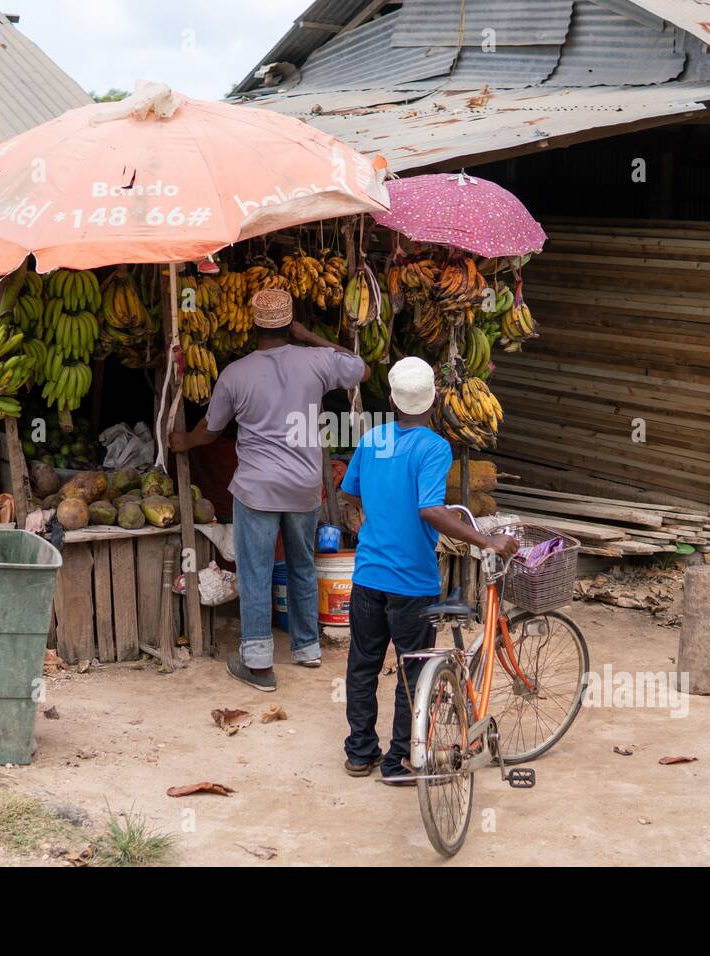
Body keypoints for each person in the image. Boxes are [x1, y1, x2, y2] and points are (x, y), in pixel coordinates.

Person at [170, 287, 368, 692]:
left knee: (256, 570)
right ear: (289, 324)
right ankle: (307, 647)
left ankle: (259, 665)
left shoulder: (235, 373)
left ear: (253, 325)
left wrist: (183, 443)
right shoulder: (315, 362)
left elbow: (210, 429)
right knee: (301, 564)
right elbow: (359, 367)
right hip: (303, 487)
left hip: (257, 488)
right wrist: (310, 336)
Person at [336, 357, 518, 784]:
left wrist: (379, 517)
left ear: (394, 400)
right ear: (434, 399)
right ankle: (400, 759)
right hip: (411, 582)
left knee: (362, 665)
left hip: (367, 576)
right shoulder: (434, 447)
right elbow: (431, 510)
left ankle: (360, 752)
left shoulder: (374, 438)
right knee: (412, 671)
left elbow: (349, 495)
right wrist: (486, 541)